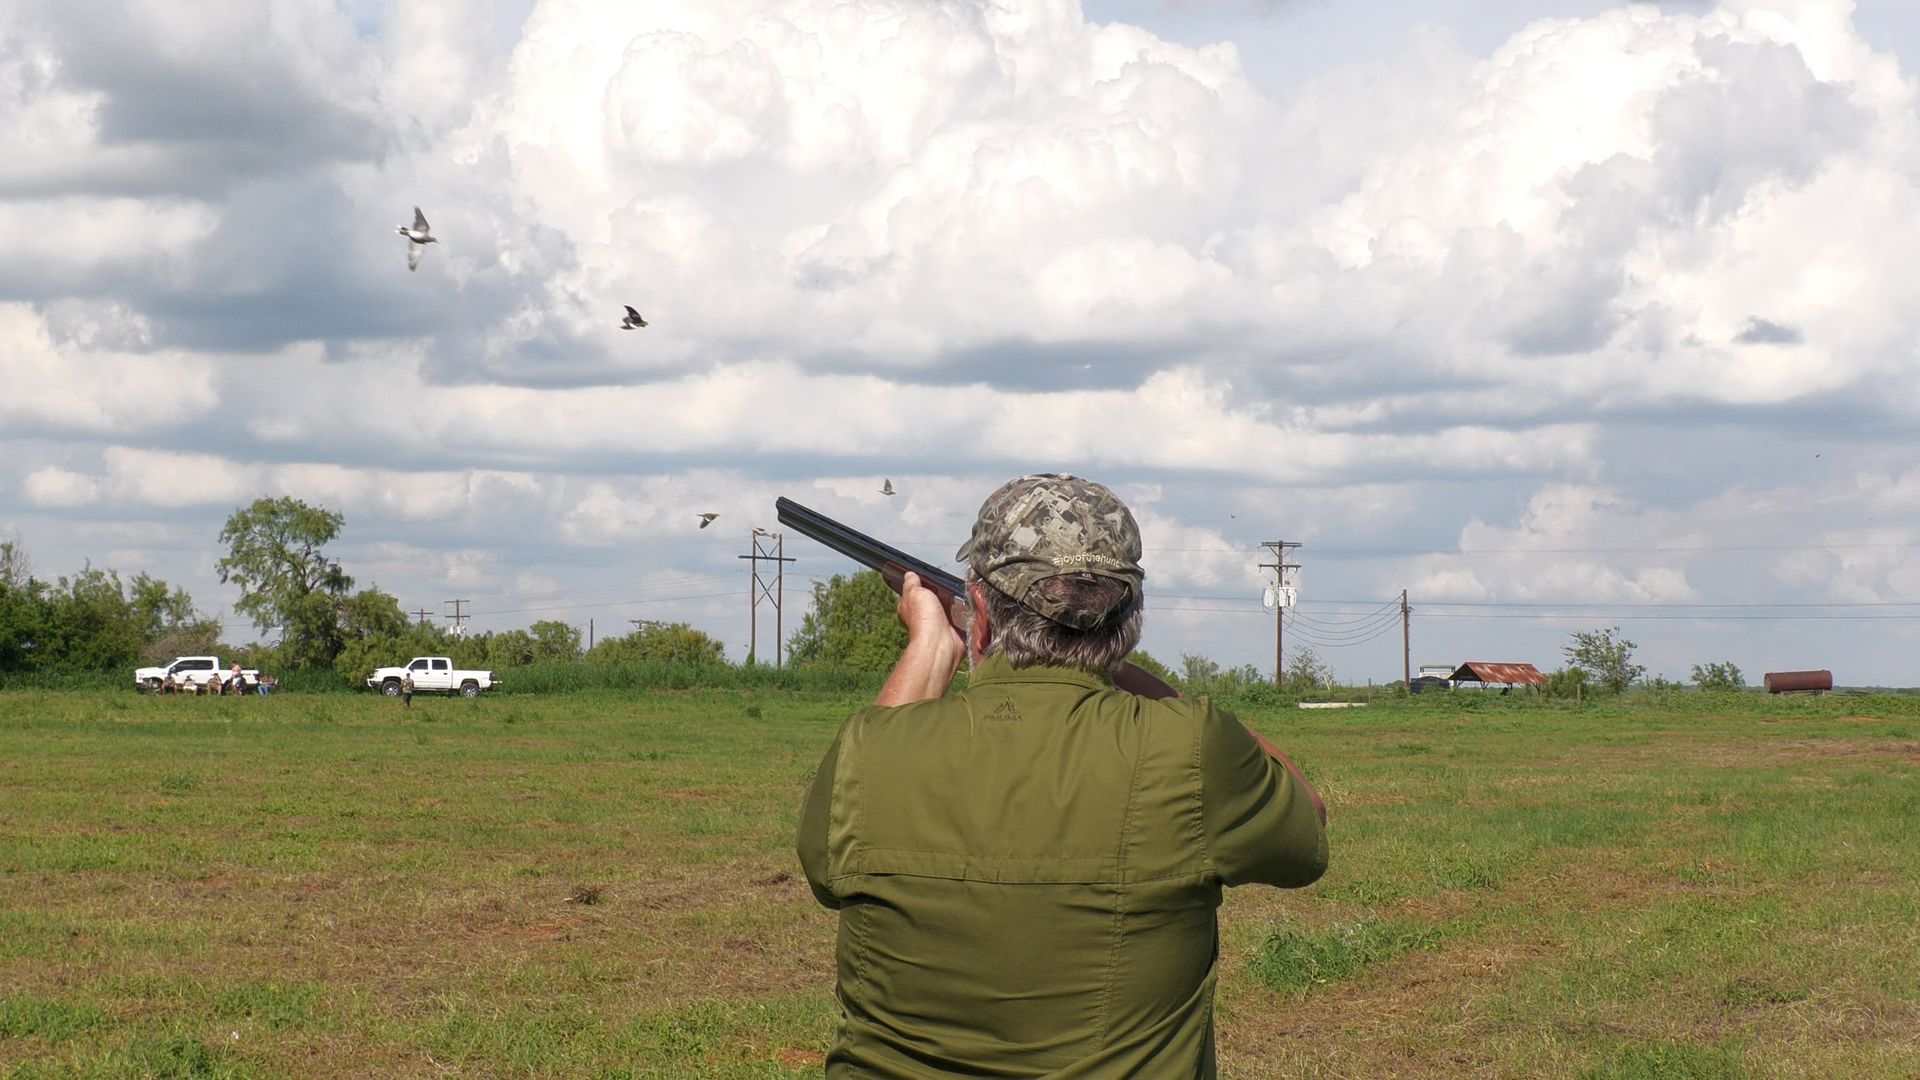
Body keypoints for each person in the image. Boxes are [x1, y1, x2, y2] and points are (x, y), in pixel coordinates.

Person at [797, 473, 1328, 1077]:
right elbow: (1306, 823)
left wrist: (929, 647)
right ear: (1129, 615)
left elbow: (825, 869)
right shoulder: (1190, 746)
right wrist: (1151, 686)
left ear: (981, 609)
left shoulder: (872, 748)